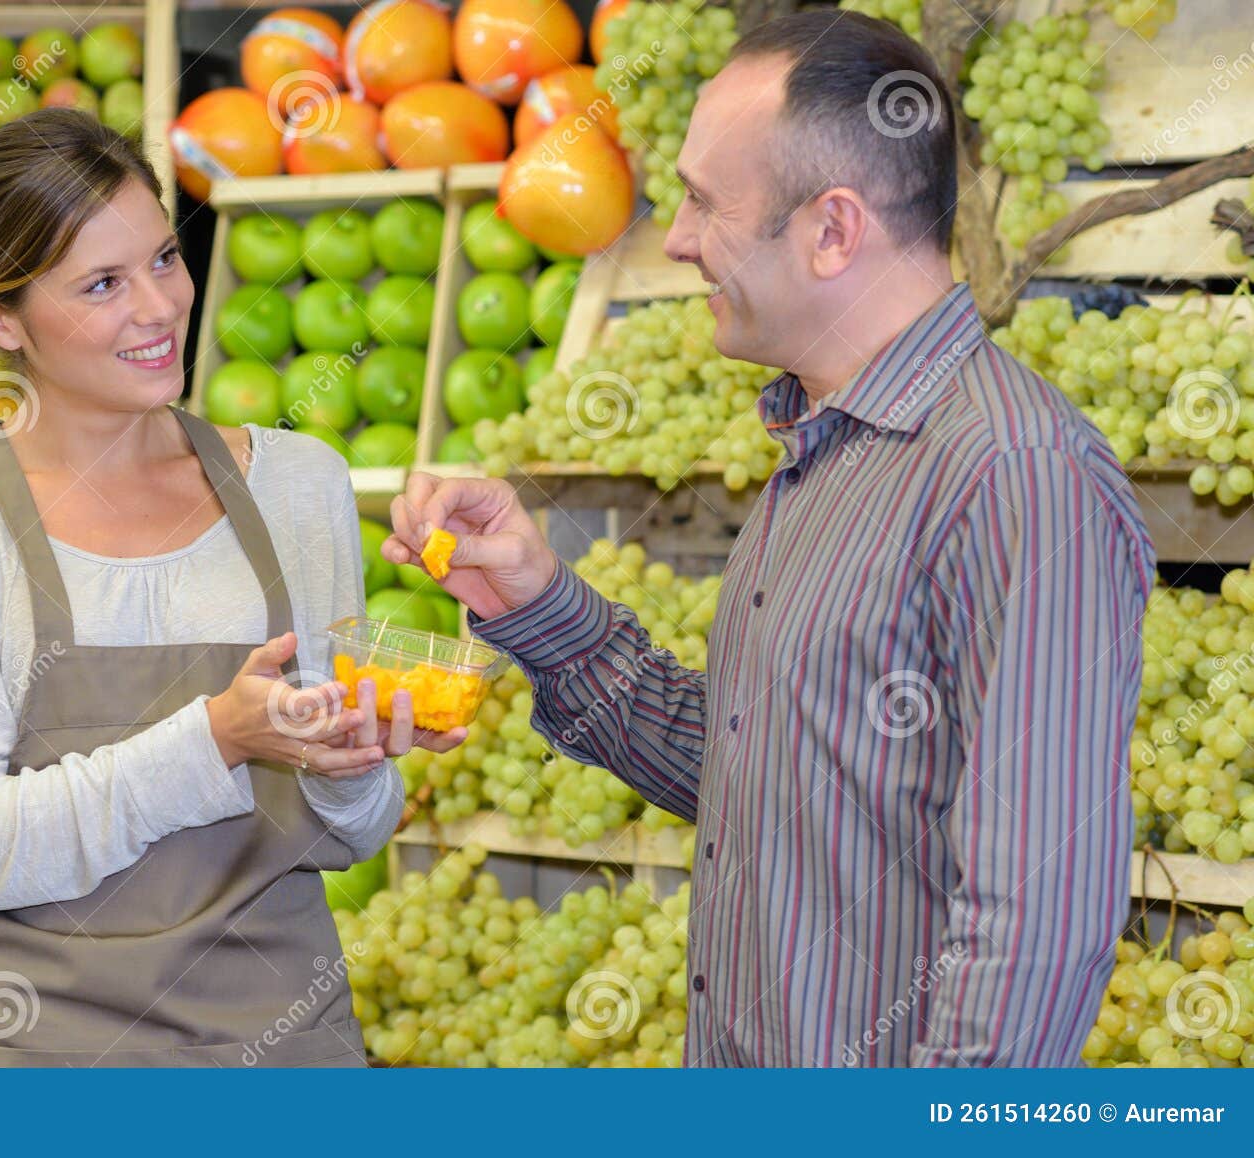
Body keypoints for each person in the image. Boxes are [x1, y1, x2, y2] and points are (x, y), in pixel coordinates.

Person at [387, 11, 1155, 1066]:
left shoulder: (1013, 476)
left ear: (831, 230)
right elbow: (756, 773)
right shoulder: (826, 448)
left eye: (703, 200)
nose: (676, 237)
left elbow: (1037, 922)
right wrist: (533, 602)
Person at [0, 109, 462, 1067]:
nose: (157, 307)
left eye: (164, 260)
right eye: (103, 283)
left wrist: (352, 765)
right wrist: (218, 738)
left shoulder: (300, 484)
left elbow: (347, 837)